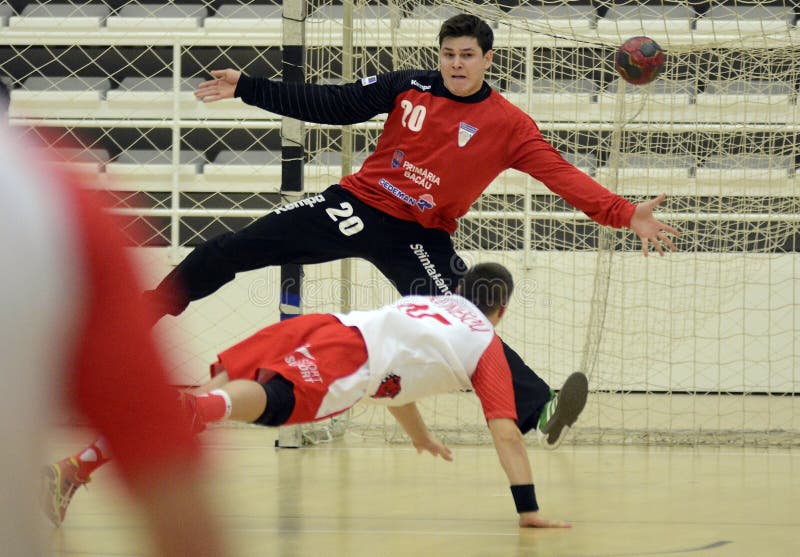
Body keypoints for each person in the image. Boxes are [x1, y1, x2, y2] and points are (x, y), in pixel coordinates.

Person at [145, 14, 678, 442]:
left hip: (419, 235)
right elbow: (335, 104)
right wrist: (250, 88)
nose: (456, 64)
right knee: (230, 249)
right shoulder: (409, 87)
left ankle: (540, 410)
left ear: (488, 60)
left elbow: (561, 176)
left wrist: (625, 213)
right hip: (356, 206)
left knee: (468, 322)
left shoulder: (510, 126)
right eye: (448, 54)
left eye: (468, 55)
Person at [54, 262, 585, 528]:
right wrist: (527, 510)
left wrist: (420, 435)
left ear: (460, 291)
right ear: (503, 310)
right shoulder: (485, 343)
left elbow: (399, 383)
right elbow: (505, 432)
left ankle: (75, 469)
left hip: (323, 326)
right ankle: (191, 411)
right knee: (268, 403)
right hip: (347, 359)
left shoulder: (430, 306)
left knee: (222, 391)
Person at [0, 128, 226, 556]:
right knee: (243, 392)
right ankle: (75, 467)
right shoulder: (53, 203)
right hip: (304, 359)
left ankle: (75, 467)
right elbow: (175, 495)